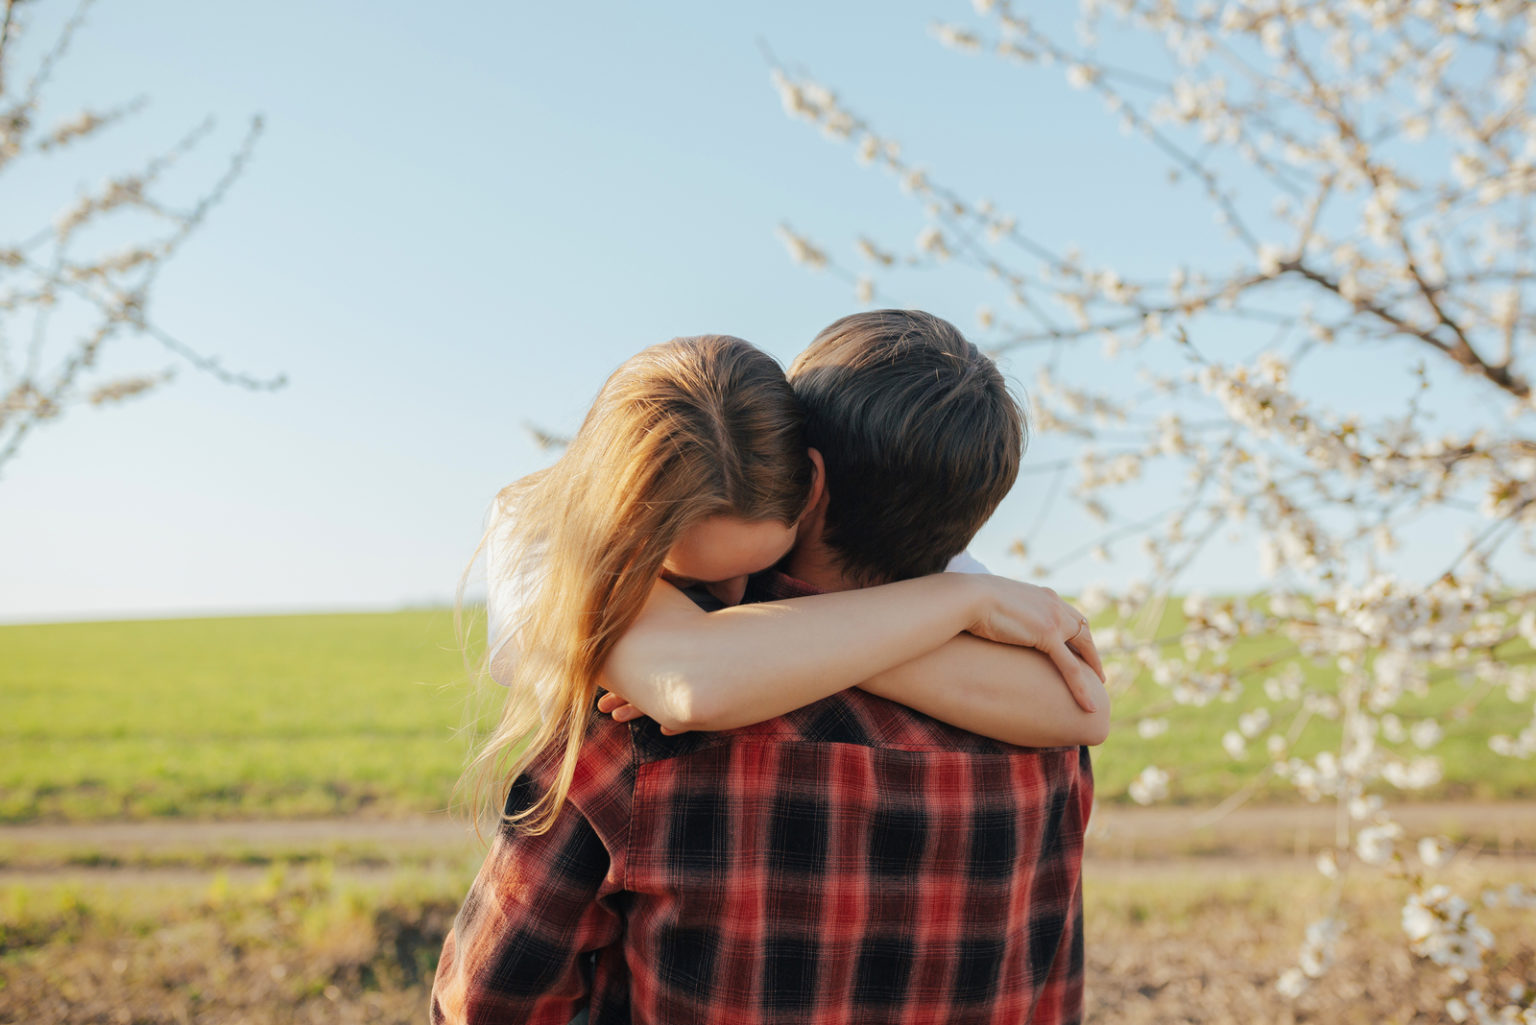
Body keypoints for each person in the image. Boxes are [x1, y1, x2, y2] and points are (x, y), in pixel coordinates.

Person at [434, 318, 1104, 1023]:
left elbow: (485, 1002)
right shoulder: (1041, 738)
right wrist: (960, 601)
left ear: (805, 479)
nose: (724, 600)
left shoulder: (630, 726)